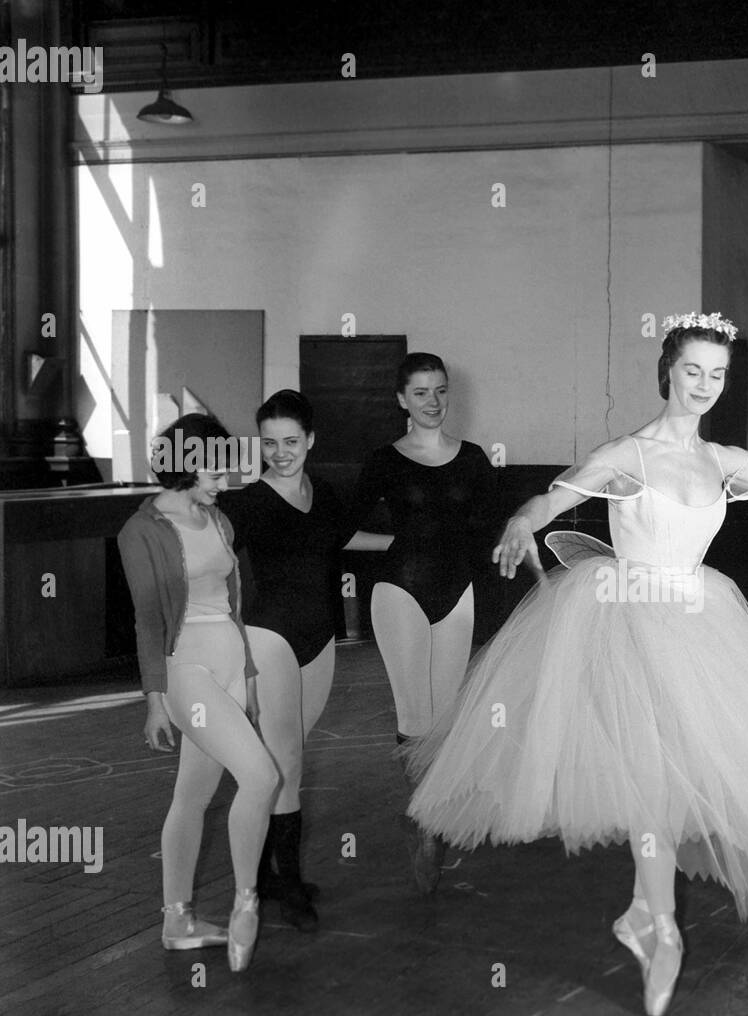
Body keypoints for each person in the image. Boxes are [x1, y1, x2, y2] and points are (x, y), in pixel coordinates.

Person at [404, 312, 748, 1016]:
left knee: (673, 789)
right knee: (651, 776)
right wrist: (523, 520)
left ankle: (644, 915)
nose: (705, 385)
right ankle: (662, 925)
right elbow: (557, 496)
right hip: (624, 622)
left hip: (699, 625)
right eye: (693, 372)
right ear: (668, 373)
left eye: (717, 375)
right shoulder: (628, 454)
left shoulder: (726, 462)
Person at [219, 390, 392, 931]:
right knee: (287, 762)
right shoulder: (245, 503)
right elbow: (210, 553)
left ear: (310, 440)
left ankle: (271, 874)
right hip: (269, 638)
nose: (280, 453)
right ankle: (286, 884)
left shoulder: (326, 493)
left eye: (291, 442)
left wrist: (409, 544)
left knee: (286, 758)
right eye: (270, 443)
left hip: (320, 640)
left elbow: (347, 538)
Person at [117, 413, 279, 973]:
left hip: (231, 665)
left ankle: (178, 920)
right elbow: (146, 623)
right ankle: (246, 902)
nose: (225, 481)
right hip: (185, 670)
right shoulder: (140, 532)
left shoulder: (218, 520)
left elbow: (233, 604)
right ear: (186, 464)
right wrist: (155, 700)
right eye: (216, 471)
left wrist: (251, 675)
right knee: (262, 777)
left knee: (192, 796)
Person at [351, 354, 498, 745]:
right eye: (420, 393)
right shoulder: (385, 460)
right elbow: (342, 531)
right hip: (401, 590)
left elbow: (491, 528)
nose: (433, 402)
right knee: (415, 718)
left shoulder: (474, 458)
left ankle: (434, 807)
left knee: (445, 719)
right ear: (402, 400)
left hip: (456, 591)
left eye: (440, 391)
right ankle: (417, 807)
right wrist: (396, 542)